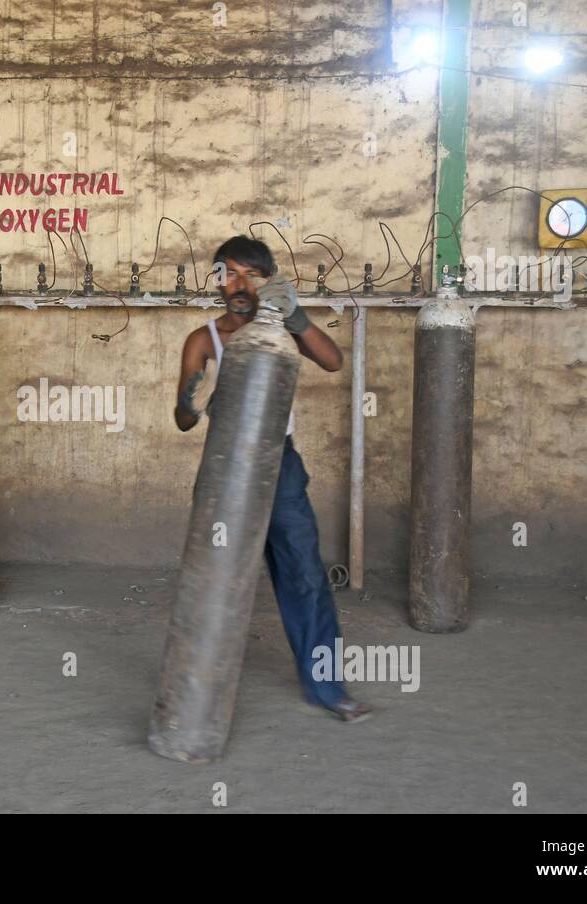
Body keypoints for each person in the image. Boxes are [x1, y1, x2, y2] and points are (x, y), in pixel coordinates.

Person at [173, 235, 372, 723]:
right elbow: (182, 421)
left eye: (250, 274)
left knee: (304, 576)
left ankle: (326, 688)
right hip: (224, 469)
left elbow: (332, 360)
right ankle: (196, 697)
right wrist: (189, 401)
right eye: (228, 273)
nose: (238, 284)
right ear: (217, 281)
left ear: (268, 280)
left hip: (277, 467)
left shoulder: (280, 330)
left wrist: (297, 317)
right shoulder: (205, 339)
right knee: (212, 581)